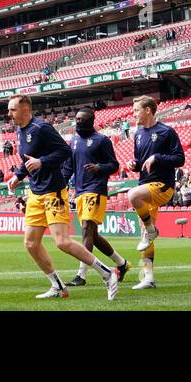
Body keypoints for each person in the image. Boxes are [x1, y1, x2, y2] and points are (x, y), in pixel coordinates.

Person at [4, 95, 119, 300]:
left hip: (53, 192)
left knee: (62, 242)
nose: (9, 114)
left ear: (25, 109)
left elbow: (64, 151)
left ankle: (107, 273)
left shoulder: (42, 128)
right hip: (36, 192)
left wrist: (42, 162)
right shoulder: (21, 131)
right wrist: (17, 176)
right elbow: (26, 159)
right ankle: (58, 286)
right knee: (31, 243)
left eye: (12, 110)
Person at [64, 108, 129, 287]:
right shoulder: (74, 140)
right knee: (92, 234)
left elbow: (114, 165)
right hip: (79, 191)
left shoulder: (102, 140)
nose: (77, 122)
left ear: (91, 121)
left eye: (81, 120)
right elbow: (69, 166)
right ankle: (122, 264)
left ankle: (81, 275)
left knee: (86, 229)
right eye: (76, 119)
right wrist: (61, 182)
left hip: (96, 189)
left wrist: (99, 167)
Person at [125, 95, 185, 290]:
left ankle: (151, 230)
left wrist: (157, 157)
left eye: (136, 110)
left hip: (163, 186)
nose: (133, 114)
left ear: (148, 110)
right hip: (146, 186)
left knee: (132, 195)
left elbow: (180, 159)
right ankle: (148, 278)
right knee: (144, 237)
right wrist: (134, 165)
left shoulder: (167, 131)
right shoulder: (138, 134)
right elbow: (140, 163)